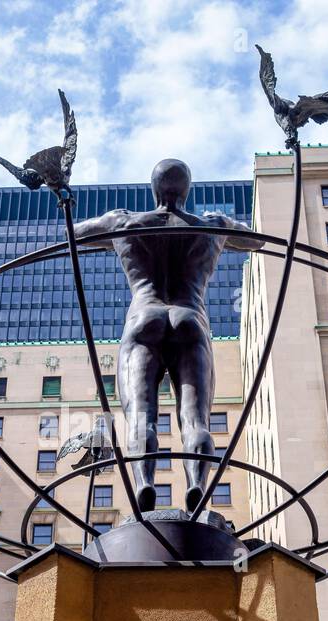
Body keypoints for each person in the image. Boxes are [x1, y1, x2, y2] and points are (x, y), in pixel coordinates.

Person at [73, 158, 263, 511]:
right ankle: (195, 485)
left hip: (144, 318)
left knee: (141, 415)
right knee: (194, 419)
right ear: (187, 190)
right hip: (190, 319)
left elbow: (75, 233)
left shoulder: (124, 221)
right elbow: (256, 242)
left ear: (154, 188)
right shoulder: (213, 226)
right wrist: (220, 229)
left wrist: (72, 203)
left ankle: (145, 483)